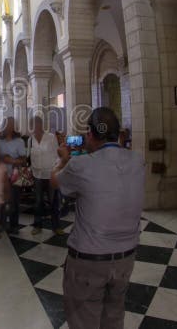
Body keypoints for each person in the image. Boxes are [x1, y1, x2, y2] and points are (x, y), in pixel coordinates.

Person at [50, 107, 145, 329]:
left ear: (90, 135)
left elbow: (55, 182)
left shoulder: (81, 165)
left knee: (84, 320)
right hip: (125, 258)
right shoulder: (138, 161)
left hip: (89, 260)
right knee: (113, 317)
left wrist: (62, 160)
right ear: (118, 133)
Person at [29, 116, 62, 236]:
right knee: (38, 202)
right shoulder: (31, 139)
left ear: (41, 125)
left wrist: (56, 170)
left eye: (36, 124)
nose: (34, 128)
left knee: (54, 201)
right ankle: (37, 225)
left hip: (50, 174)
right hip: (37, 175)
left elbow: (57, 155)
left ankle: (56, 226)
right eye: (32, 125)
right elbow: (30, 156)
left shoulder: (51, 137)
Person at [0, 117, 27, 234]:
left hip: (14, 176)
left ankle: (14, 225)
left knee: (14, 202)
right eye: (7, 125)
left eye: (11, 124)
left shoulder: (19, 142)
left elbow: (24, 160)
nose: (9, 127)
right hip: (1, 177)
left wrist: (12, 161)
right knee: (1, 202)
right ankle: (1, 224)